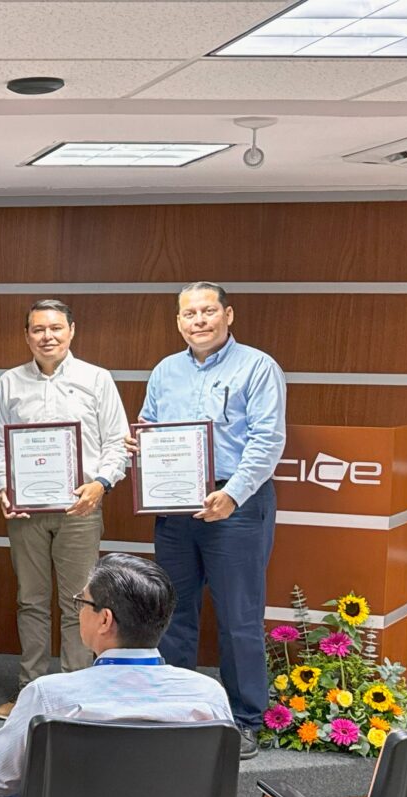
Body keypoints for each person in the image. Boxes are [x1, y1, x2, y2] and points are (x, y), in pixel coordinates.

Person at [134, 282, 285, 759]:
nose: (198, 321)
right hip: (176, 506)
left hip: (236, 506)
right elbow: (149, 424)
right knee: (172, 612)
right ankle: (180, 708)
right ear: (178, 321)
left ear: (229, 315)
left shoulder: (258, 367)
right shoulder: (165, 370)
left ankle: (245, 718)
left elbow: (267, 440)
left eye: (208, 311)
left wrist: (233, 495)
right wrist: (139, 445)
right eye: (189, 314)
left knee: (239, 617)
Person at [0, 553, 234, 797]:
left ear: (105, 620)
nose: (78, 610)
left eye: (82, 602)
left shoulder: (50, 696)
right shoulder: (208, 695)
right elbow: (220, 786)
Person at [0, 300, 129, 720]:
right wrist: (4, 486)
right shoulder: (10, 382)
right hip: (26, 511)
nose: (46, 336)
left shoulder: (96, 379)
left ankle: (74, 692)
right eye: (37, 329)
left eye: (54, 328)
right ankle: (30, 691)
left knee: (78, 603)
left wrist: (101, 484)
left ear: (71, 331)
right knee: (30, 600)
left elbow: (117, 443)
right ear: (27, 335)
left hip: (79, 508)